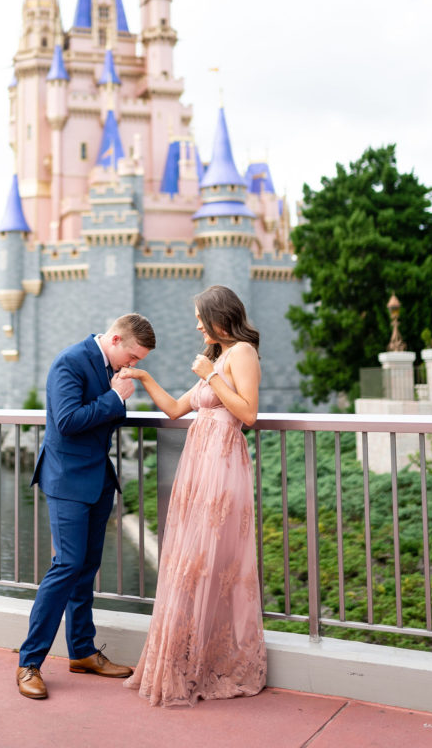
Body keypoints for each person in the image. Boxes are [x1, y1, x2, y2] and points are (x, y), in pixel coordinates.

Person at [119, 285, 267, 708]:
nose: (197, 324)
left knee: (209, 563)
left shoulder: (240, 354)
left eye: (201, 317)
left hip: (222, 467)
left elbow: (249, 414)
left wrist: (211, 375)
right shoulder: (218, 358)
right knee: (188, 560)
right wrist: (144, 377)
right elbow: (174, 410)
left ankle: (214, 660)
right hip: (197, 467)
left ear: (220, 316)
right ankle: (187, 658)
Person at [16, 313, 156, 700]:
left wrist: (115, 396)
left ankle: (81, 652)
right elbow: (66, 421)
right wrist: (114, 398)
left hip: (97, 480)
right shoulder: (70, 361)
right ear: (114, 339)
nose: (134, 365)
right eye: (133, 356)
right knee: (67, 565)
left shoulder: (110, 366)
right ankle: (29, 662)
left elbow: (101, 420)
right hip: (66, 480)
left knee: (86, 569)